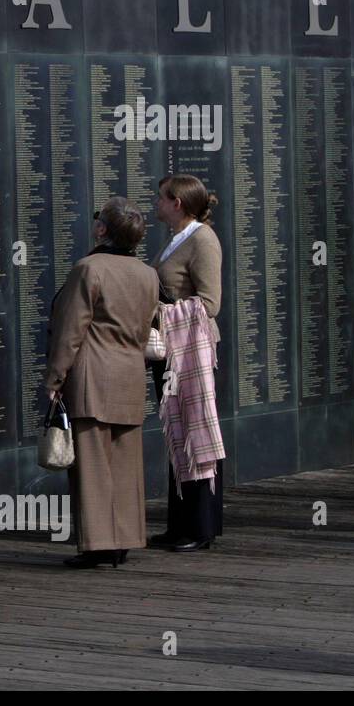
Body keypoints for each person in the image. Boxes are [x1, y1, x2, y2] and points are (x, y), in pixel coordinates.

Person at [45, 198, 160, 568]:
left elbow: (70, 331)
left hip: (92, 375)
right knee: (127, 464)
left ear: (102, 230)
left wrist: (55, 377)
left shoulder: (88, 269)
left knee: (92, 465)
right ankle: (125, 539)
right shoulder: (148, 275)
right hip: (130, 374)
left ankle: (97, 545)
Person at [148, 174, 224, 553]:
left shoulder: (202, 240)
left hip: (192, 352)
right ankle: (179, 524)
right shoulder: (176, 238)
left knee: (198, 435)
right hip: (172, 352)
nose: (156, 203)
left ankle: (201, 527)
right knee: (178, 435)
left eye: (161, 198)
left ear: (177, 202)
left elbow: (210, 303)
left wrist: (163, 311)